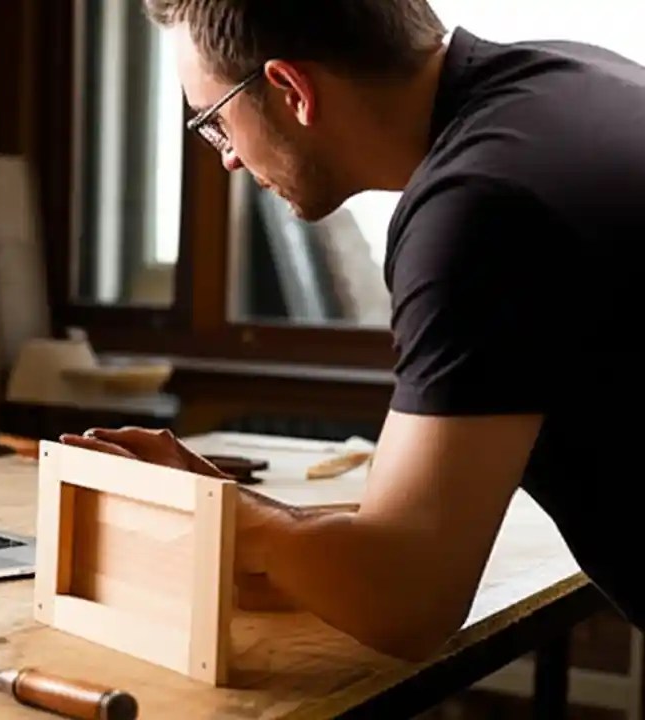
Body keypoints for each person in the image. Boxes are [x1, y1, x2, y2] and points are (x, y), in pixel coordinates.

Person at [61, 0, 644, 661]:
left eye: (215, 122)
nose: (225, 159)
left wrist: (214, 513)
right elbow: (397, 549)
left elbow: (406, 600)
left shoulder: (478, 208)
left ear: (290, 90)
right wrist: (252, 521)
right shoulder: (579, 76)